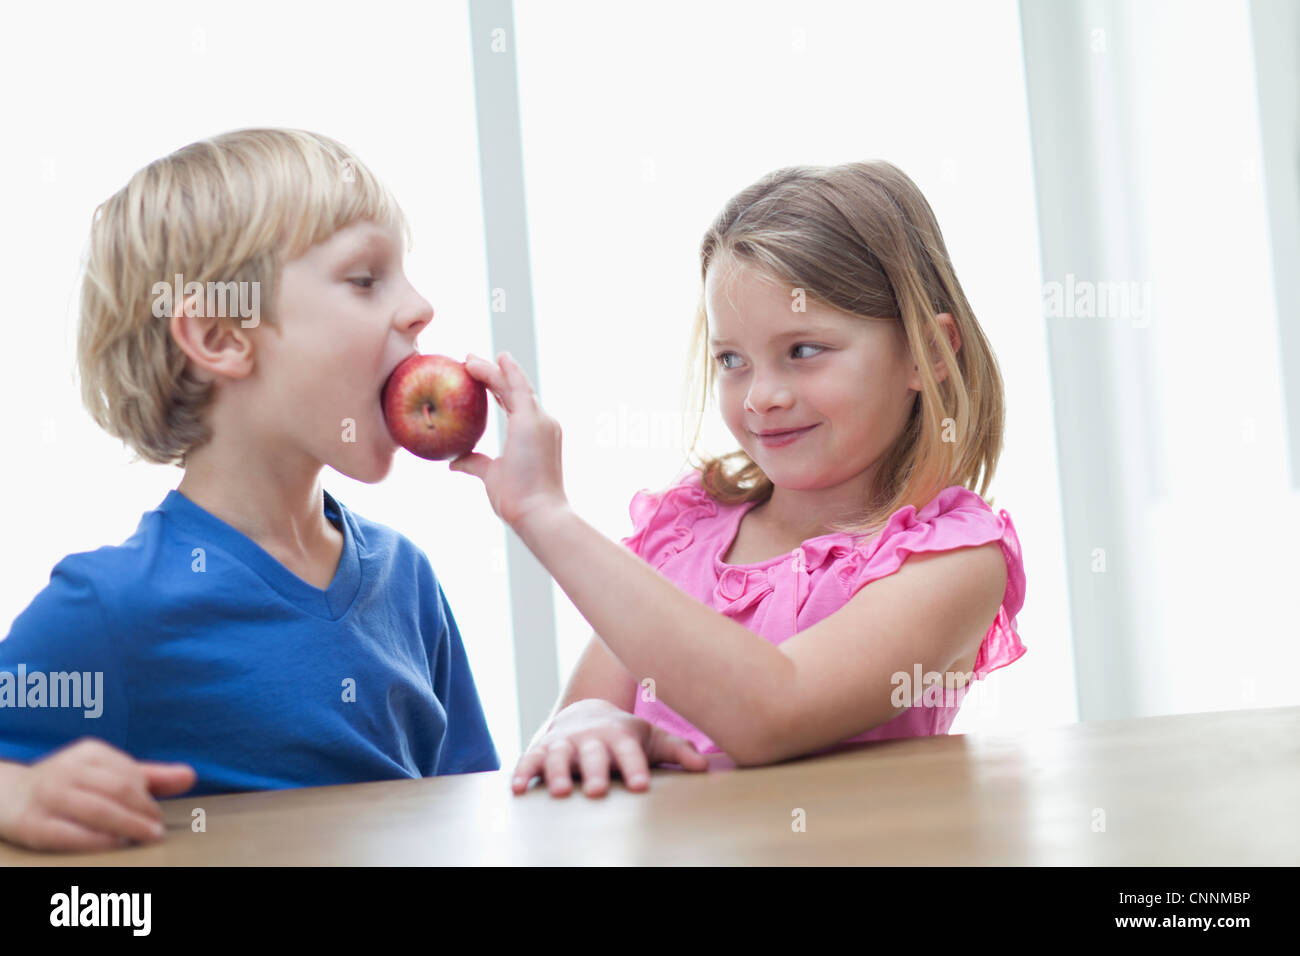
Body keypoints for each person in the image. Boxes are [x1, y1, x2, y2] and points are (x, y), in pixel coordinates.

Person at [451, 160, 1027, 798]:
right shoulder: (684, 536)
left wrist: (546, 515)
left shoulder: (954, 562)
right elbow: (571, 731)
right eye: (732, 360)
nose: (762, 397)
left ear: (925, 352)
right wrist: (586, 721)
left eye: (803, 351)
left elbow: (772, 711)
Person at [0, 129, 499, 852]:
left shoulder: (406, 579)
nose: (420, 307)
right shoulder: (115, 606)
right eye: (365, 278)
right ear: (221, 335)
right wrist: (15, 790)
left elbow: (472, 811)